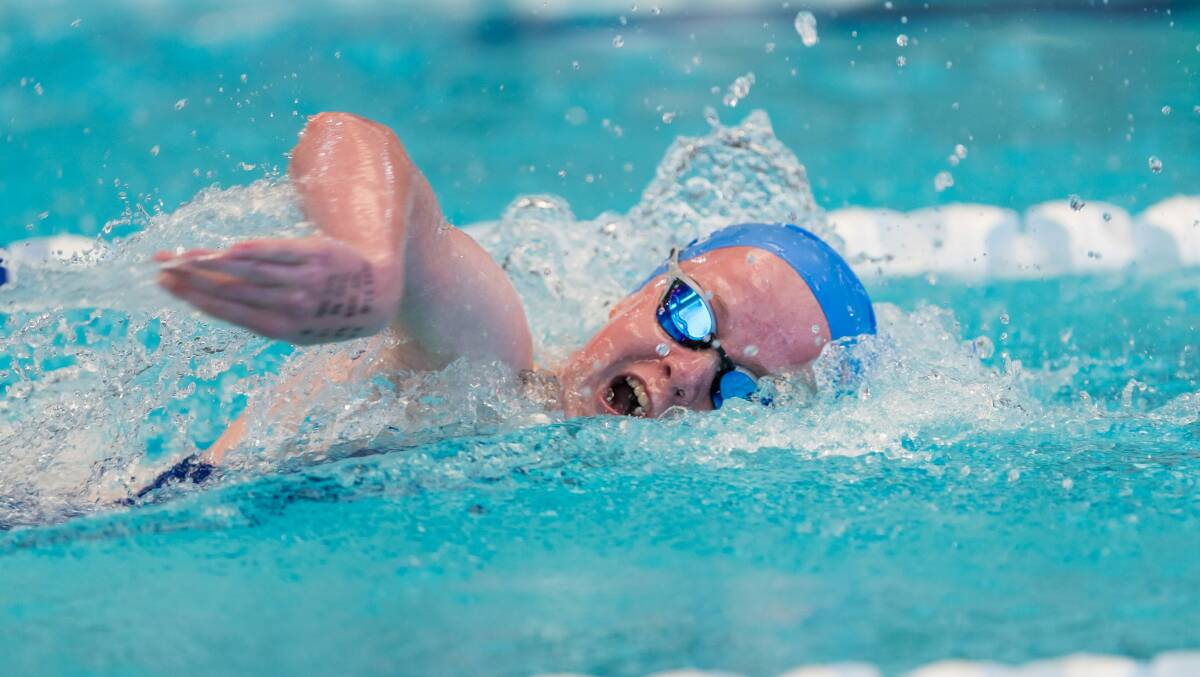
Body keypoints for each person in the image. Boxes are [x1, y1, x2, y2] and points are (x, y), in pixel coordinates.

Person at [146, 112, 874, 494]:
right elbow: (354, 139)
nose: (688, 372)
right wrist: (371, 268)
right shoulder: (493, 367)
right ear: (644, 285)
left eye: (741, 390)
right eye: (692, 314)